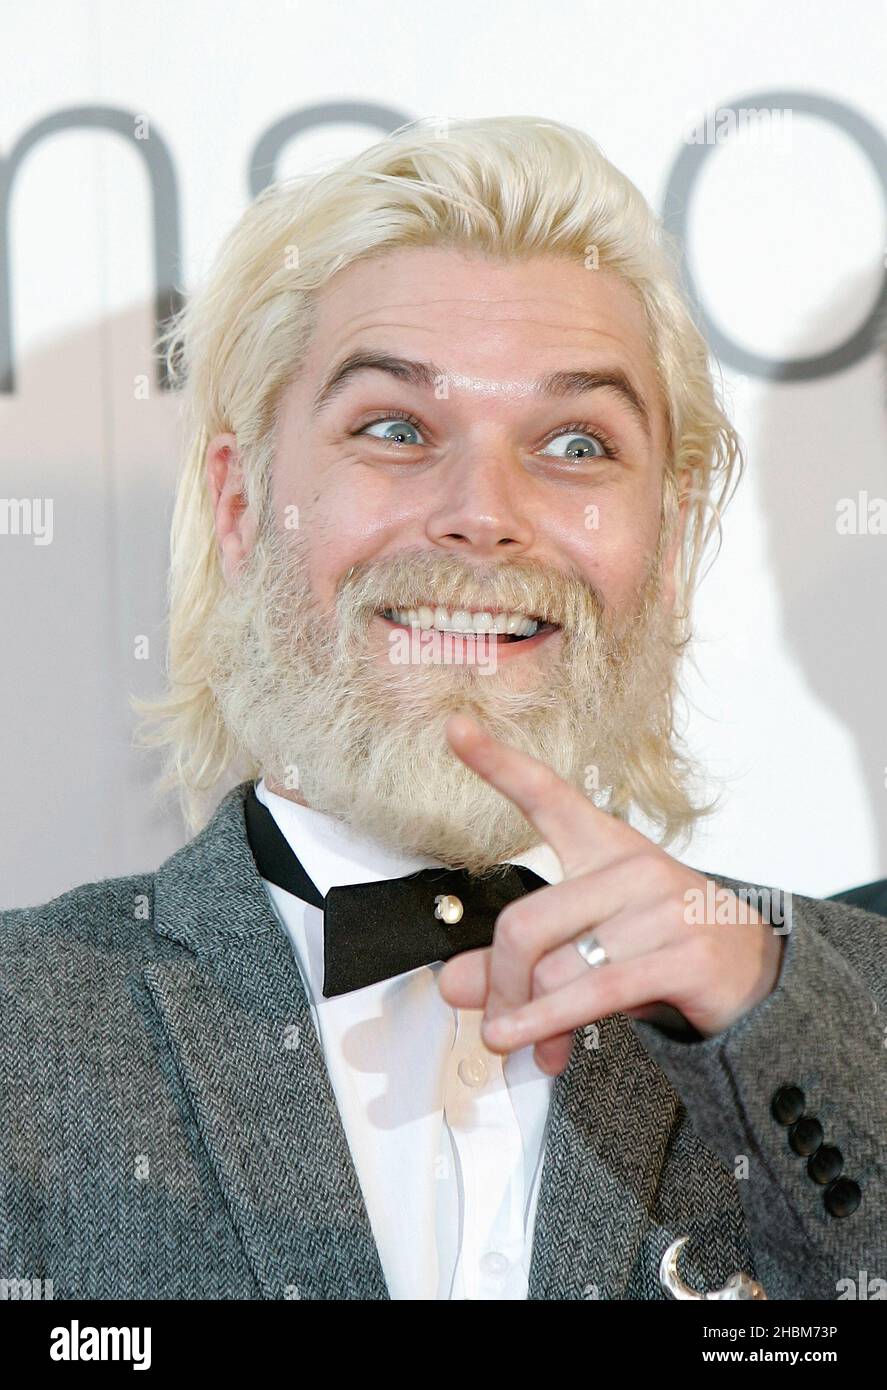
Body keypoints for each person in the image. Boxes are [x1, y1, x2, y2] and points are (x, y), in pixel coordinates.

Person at [2, 115, 884, 1302]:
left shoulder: (845, 1012)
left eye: (575, 442)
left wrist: (771, 1035)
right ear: (240, 503)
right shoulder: (26, 1022)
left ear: (667, 543)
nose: (480, 511)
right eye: (394, 428)